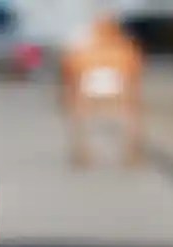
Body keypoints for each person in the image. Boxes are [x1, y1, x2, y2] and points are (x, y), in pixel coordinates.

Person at [59, 12, 145, 168]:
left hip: (89, 88)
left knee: (77, 110)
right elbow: (134, 72)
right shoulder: (124, 48)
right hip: (117, 88)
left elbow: (71, 71)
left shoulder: (86, 49)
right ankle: (131, 153)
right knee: (132, 112)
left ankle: (82, 151)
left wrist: (69, 94)